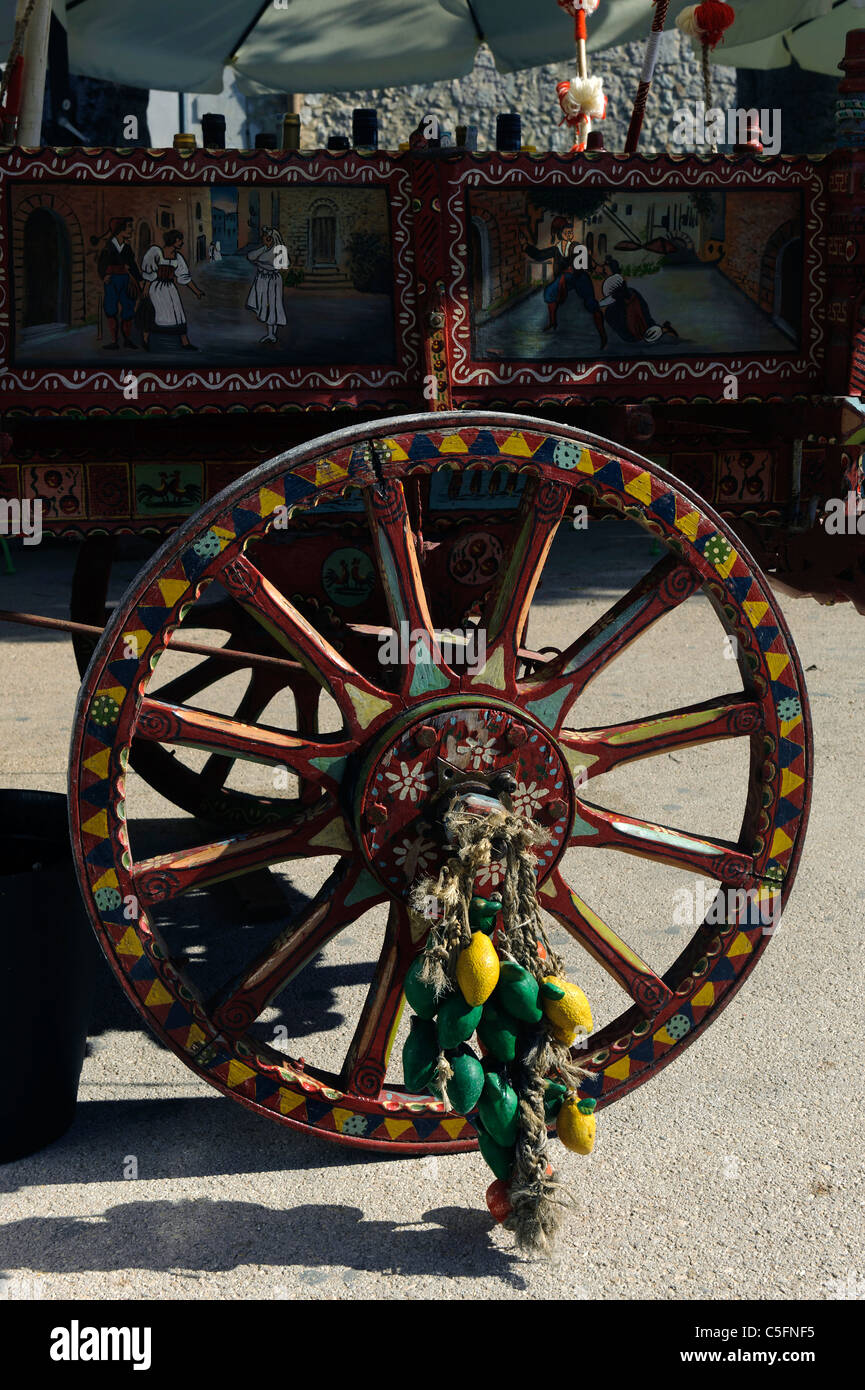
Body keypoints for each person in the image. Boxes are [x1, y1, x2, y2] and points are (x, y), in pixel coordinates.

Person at [522, 216, 606, 346]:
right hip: (564, 279)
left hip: (580, 278)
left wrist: (596, 268)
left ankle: (602, 334)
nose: (569, 234)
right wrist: (526, 246)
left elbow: (588, 262)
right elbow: (539, 255)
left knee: (591, 302)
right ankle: (552, 322)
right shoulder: (556, 249)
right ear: (559, 234)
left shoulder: (577, 247)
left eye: (570, 232)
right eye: (566, 232)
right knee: (549, 292)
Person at [140, 230, 204, 351]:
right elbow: (150, 274)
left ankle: (185, 342)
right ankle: (145, 340)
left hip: (170, 288)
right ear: (172, 240)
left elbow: (184, 277)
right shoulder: (156, 252)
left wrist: (197, 291)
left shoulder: (178, 257)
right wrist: (146, 289)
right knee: (151, 312)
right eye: (179, 240)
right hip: (156, 288)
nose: (181, 242)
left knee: (178, 313)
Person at [598, 256, 678, 345]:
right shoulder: (627, 298)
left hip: (638, 334)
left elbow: (645, 314)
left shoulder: (631, 295)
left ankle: (660, 331)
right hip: (634, 336)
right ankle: (660, 331)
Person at [92, 216, 143, 350]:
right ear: (120, 230)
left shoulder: (127, 248)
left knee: (128, 309)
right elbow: (102, 265)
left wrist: (140, 280)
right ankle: (114, 341)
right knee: (111, 309)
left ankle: (127, 340)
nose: (131, 230)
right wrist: (104, 275)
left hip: (126, 281)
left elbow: (132, 265)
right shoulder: (109, 247)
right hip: (112, 281)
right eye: (129, 227)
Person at [246, 227, 288, 344]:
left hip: (272, 281)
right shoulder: (265, 249)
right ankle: (271, 333)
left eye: (265, 237)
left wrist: (259, 262)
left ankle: (271, 334)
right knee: (264, 304)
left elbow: (279, 265)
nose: (263, 239)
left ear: (270, 238)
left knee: (272, 304)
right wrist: (262, 253)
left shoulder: (278, 249)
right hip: (263, 279)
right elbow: (250, 256)